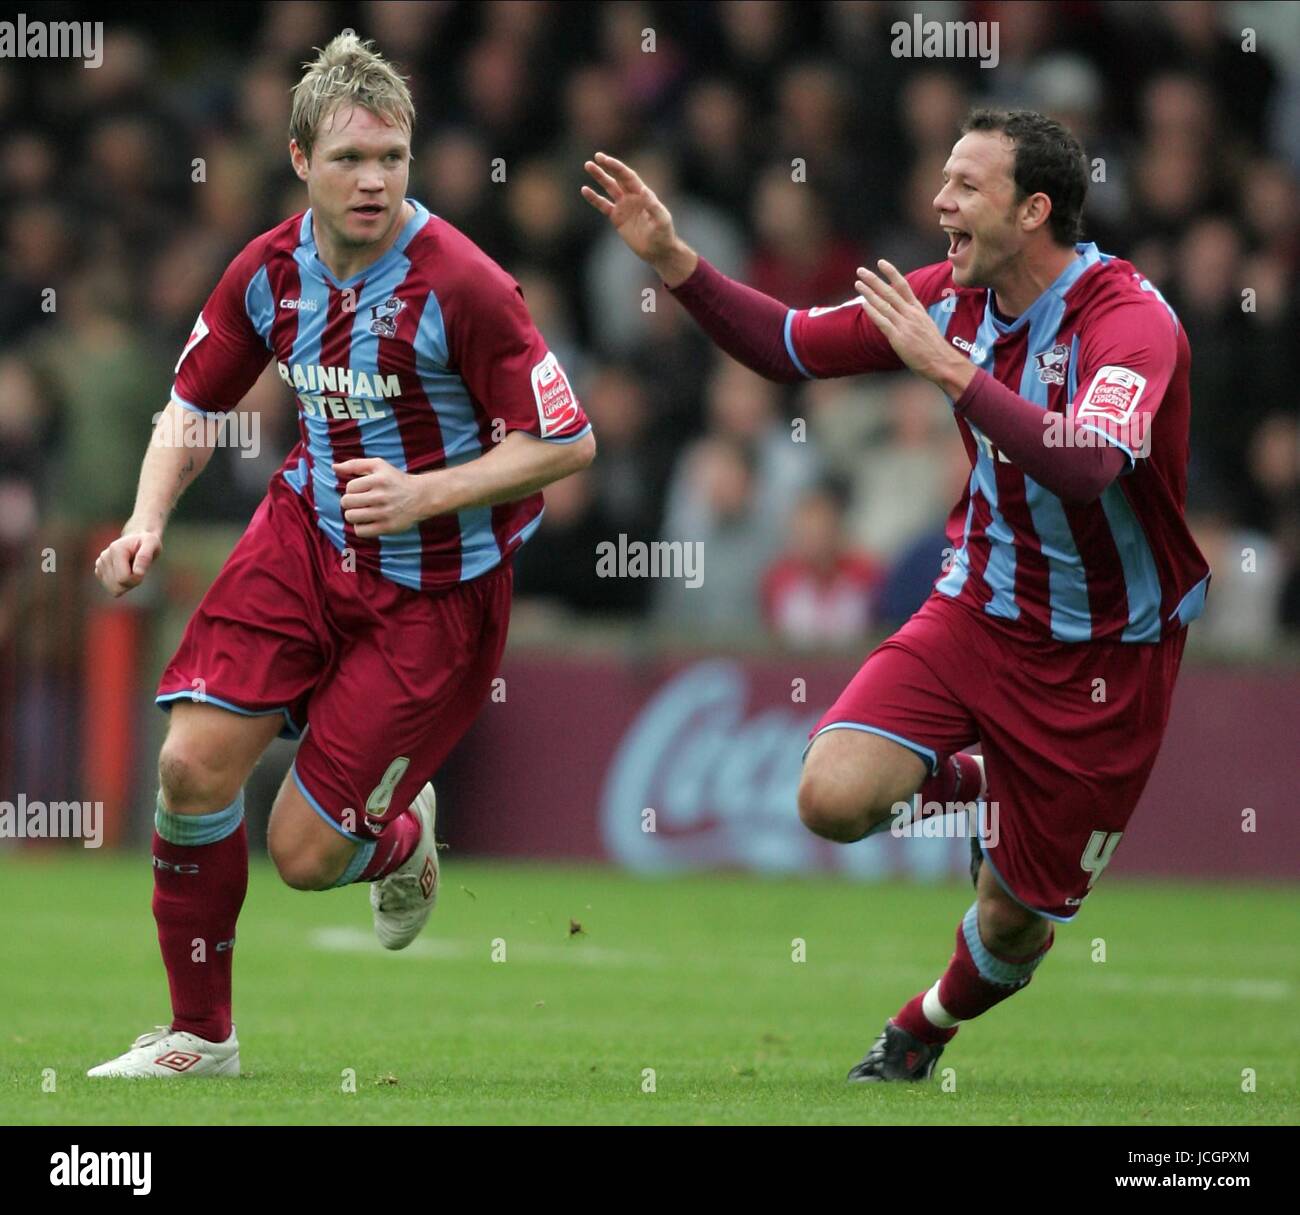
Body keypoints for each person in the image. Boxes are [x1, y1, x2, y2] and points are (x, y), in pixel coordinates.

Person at [583, 108, 1208, 1081]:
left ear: (1034, 210)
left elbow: (1088, 465)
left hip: (1109, 652)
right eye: (943, 179)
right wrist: (674, 261)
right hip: (980, 607)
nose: (939, 201)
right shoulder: (947, 298)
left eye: (966, 185)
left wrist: (949, 371)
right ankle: (988, 783)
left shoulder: (1127, 320)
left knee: (1012, 929)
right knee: (829, 798)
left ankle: (923, 1024)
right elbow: (788, 345)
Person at [88, 33, 594, 1079]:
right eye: (350, 159)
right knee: (188, 766)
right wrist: (144, 519)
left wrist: (425, 493)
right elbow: (192, 405)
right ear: (299, 160)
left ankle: (400, 840)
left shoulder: (465, 284)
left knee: (304, 856)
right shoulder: (269, 272)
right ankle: (201, 1036)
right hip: (306, 539)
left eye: (392, 158)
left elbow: (567, 441)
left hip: (437, 594)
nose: (373, 181)